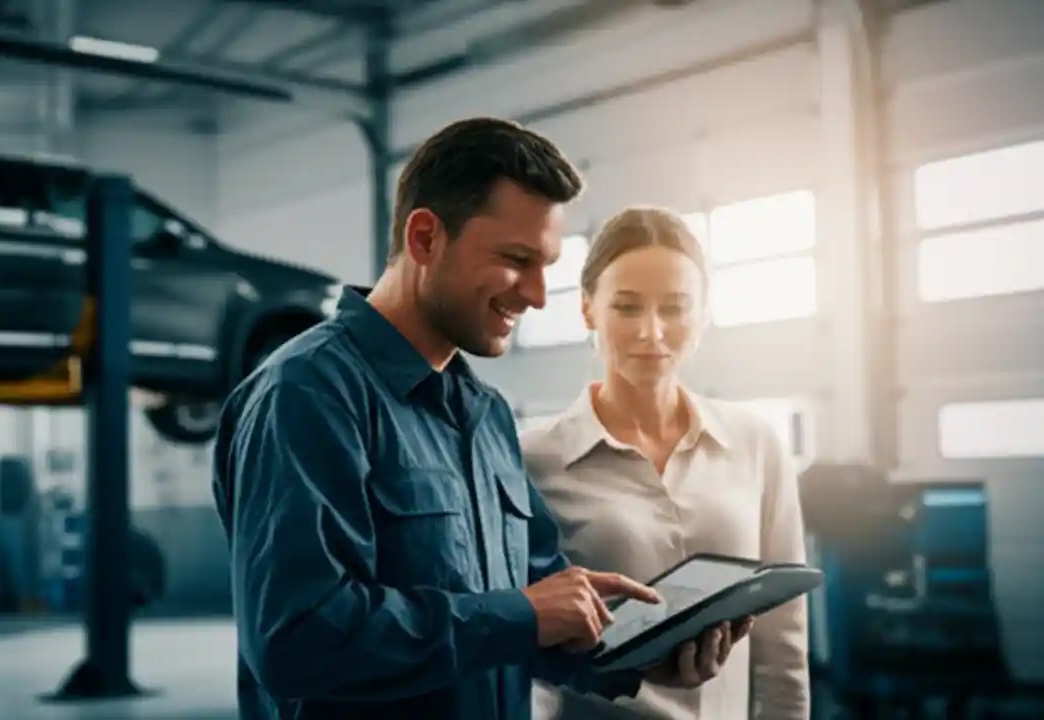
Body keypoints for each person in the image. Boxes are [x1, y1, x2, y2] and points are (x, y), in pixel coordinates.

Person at [211, 119, 751, 720]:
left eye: (547, 264)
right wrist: (522, 614)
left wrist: (636, 651)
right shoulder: (307, 393)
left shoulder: (486, 416)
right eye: (517, 260)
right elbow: (294, 640)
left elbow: (528, 624)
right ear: (424, 239)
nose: (539, 295)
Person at [521, 207, 811, 719]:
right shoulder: (531, 459)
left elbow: (782, 642)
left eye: (675, 308)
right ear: (588, 309)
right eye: (627, 308)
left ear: (702, 313)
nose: (652, 332)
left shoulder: (755, 443)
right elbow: (519, 643)